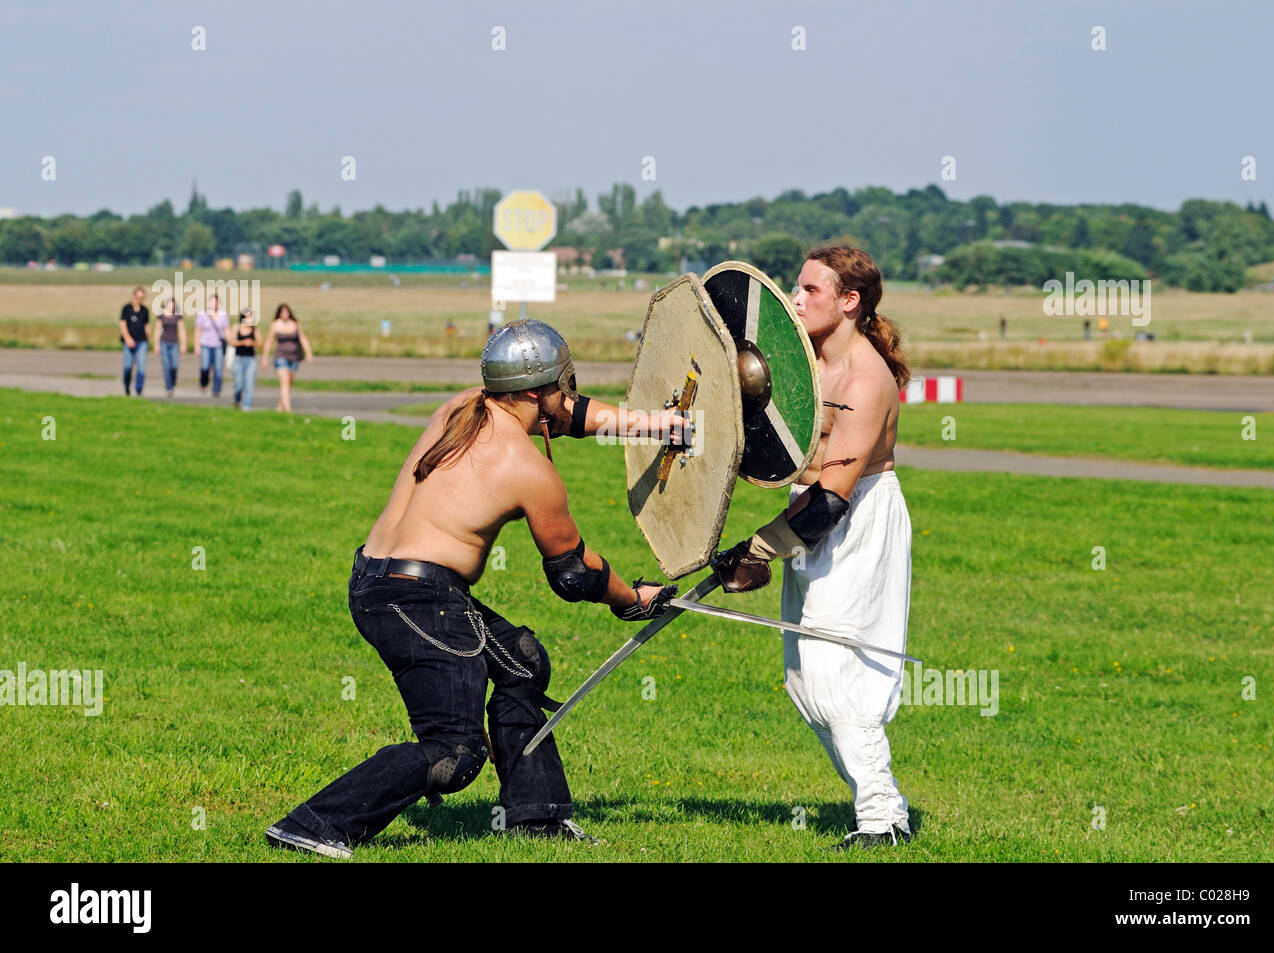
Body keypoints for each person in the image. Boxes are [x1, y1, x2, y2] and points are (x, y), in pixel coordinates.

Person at [264, 320, 684, 859]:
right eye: (561, 385)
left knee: (523, 663)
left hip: (381, 581)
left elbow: (572, 416)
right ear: (535, 392)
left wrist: (653, 426)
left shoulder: (465, 406)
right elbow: (573, 573)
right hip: (416, 601)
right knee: (454, 753)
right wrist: (632, 600)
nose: (569, 396)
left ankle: (536, 818)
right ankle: (315, 823)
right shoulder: (528, 469)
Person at [714, 244, 916, 850]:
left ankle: (881, 822)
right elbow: (776, 455)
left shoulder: (865, 377)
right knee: (804, 683)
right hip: (813, 517)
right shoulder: (799, 365)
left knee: (835, 672)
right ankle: (886, 808)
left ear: (849, 302)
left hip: (859, 520)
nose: (794, 300)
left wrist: (757, 549)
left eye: (810, 291)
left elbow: (833, 496)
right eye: (796, 288)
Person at [260, 303, 313, 413]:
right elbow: (269, 342)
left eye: (286, 312)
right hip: (280, 356)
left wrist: (308, 352)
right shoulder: (275, 325)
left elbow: (303, 338)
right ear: (279, 314)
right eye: (282, 312)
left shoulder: (295, 324)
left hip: (294, 357)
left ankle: (280, 406)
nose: (285, 314)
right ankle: (288, 409)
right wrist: (264, 358)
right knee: (284, 381)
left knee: (289, 382)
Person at [194, 295, 229, 397]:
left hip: (218, 344)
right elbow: (198, 331)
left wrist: (232, 341)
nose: (214, 304)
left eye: (215, 302)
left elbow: (226, 330)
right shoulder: (202, 314)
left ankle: (216, 390)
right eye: (212, 302)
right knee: (205, 367)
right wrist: (197, 346)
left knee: (218, 368)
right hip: (205, 344)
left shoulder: (222, 314)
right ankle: (203, 383)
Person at [118, 286, 150, 396]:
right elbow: (123, 325)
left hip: (142, 341)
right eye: (138, 297)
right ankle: (126, 386)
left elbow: (146, 325)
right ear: (134, 296)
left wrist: (148, 338)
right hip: (128, 342)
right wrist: (127, 338)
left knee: (142, 366)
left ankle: (139, 389)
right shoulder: (126, 308)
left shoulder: (145, 310)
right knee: (128, 366)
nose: (139, 300)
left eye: (142, 298)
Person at [230, 308, 261, 411]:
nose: (249, 319)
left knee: (249, 384)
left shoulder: (255, 330)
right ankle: (237, 400)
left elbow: (261, 344)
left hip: (250, 360)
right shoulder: (237, 327)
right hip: (238, 359)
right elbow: (231, 341)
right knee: (238, 384)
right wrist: (243, 342)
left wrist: (252, 343)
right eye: (247, 317)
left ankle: (247, 406)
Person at [154, 297, 186, 398]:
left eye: (173, 304)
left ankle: (173, 381)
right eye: (169, 304)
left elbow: (182, 330)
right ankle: (169, 388)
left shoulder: (178, 317)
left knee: (174, 365)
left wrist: (183, 344)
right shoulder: (161, 316)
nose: (171, 306)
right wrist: (156, 344)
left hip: (174, 343)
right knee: (166, 366)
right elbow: (157, 330)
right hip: (164, 343)